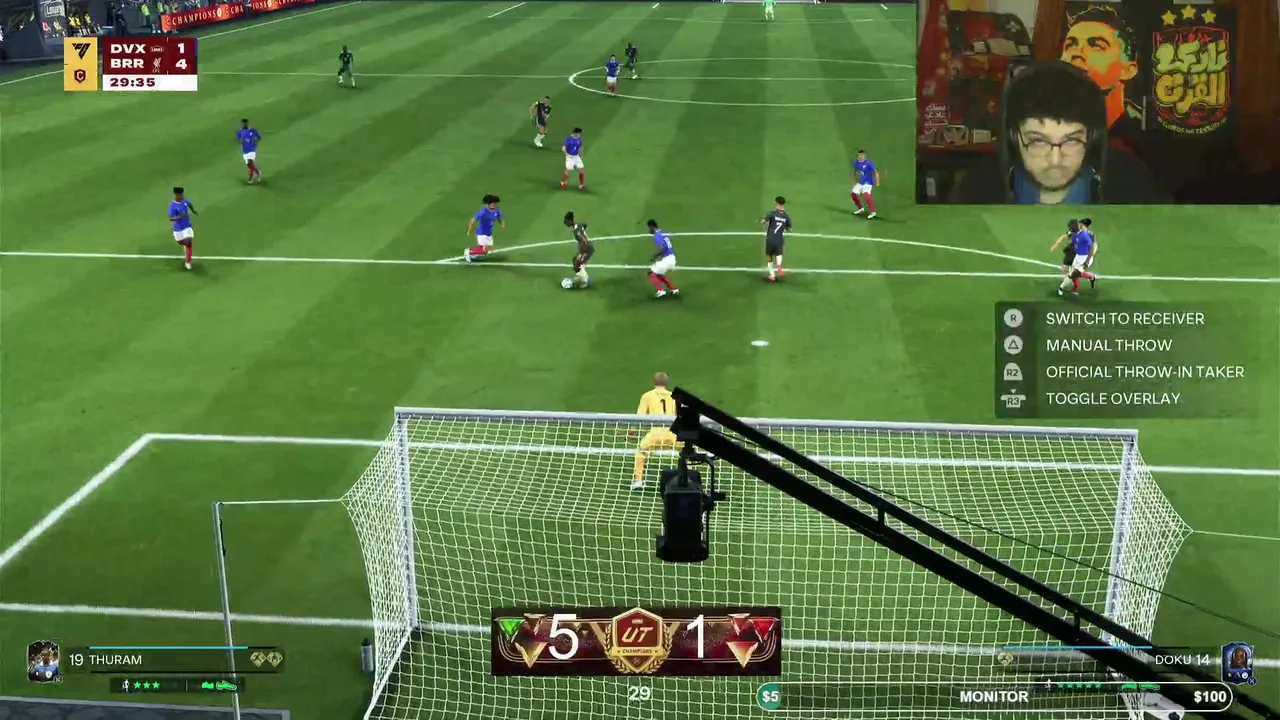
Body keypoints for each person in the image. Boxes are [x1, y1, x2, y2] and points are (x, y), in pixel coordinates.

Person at [949, 60, 1166, 205]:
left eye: (1071, 141)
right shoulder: (979, 191)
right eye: (1038, 141)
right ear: (1014, 136)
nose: (1055, 159)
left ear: (1092, 137)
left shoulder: (1132, 189)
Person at [1060, 5, 1143, 152]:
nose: (1076, 53)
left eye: (1097, 46)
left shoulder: (1141, 139)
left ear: (1128, 70)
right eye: (1070, 45)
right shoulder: (1047, 126)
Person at [630, 372, 679, 490]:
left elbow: (640, 415)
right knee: (686, 453)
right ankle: (688, 479)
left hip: (656, 433)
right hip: (672, 433)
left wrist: (633, 429)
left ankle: (638, 481)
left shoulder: (647, 396)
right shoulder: (674, 396)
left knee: (641, 453)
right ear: (666, 383)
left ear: (654, 382)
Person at [1049, 218, 1097, 296]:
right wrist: (1058, 244)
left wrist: (1087, 261)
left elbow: (1092, 247)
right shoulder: (1074, 233)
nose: (1070, 229)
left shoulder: (1085, 235)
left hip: (1085, 258)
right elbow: (1065, 236)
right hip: (1077, 256)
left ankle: (1061, 288)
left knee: (1073, 274)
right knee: (1073, 274)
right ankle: (1091, 276)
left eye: (1071, 227)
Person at [759, 195, 791, 281]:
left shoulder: (772, 213)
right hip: (779, 239)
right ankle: (779, 266)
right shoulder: (786, 216)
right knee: (779, 253)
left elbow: (763, 221)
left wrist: (760, 220)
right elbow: (789, 229)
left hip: (770, 238)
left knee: (769, 256)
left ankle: (772, 275)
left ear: (776, 202)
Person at [464, 194, 504, 262]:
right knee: (484, 249)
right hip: (482, 233)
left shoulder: (497, 210)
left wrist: (502, 223)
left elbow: (499, 217)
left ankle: (474, 254)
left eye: (494, 203)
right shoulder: (483, 212)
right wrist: (470, 230)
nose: (494, 204)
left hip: (489, 233)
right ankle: (469, 252)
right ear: (488, 203)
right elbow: (473, 220)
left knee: (488, 250)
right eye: (492, 203)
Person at [646, 219, 678, 298]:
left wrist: (654, 256)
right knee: (658, 273)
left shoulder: (657, 235)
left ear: (652, 227)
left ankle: (660, 290)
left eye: (649, 228)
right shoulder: (663, 232)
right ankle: (673, 289)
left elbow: (662, 247)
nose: (648, 230)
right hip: (672, 258)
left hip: (667, 259)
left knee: (650, 272)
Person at [169, 186, 198, 271]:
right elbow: (171, 218)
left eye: (182, 194)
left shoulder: (185, 201)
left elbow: (189, 204)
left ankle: (187, 262)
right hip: (178, 229)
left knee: (188, 242)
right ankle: (185, 245)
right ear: (176, 195)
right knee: (181, 242)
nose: (181, 196)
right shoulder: (173, 206)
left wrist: (193, 210)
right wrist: (180, 217)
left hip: (187, 227)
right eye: (180, 194)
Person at [564, 211, 593, 288]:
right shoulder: (579, 225)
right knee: (575, 261)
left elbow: (583, 242)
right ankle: (583, 277)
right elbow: (585, 225)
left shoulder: (576, 232)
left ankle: (586, 280)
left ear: (570, 221)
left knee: (577, 264)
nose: (565, 223)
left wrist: (582, 253)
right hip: (586, 247)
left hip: (586, 248)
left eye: (566, 221)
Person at [850, 149, 879, 218]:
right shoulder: (857, 162)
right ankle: (860, 209)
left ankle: (872, 212)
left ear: (864, 156)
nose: (860, 156)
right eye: (859, 155)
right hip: (860, 182)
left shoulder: (869, 163)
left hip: (868, 183)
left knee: (866, 195)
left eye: (862, 155)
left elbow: (876, 172)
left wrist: (877, 182)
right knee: (853, 195)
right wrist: (855, 178)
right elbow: (854, 171)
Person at [236, 118, 262, 184]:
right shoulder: (240, 131)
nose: (242, 125)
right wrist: (240, 142)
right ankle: (257, 172)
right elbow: (238, 139)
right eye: (242, 124)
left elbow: (259, 137)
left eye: (244, 124)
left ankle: (250, 179)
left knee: (250, 163)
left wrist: (255, 141)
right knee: (249, 166)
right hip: (245, 151)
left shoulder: (253, 130)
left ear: (247, 123)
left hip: (252, 149)